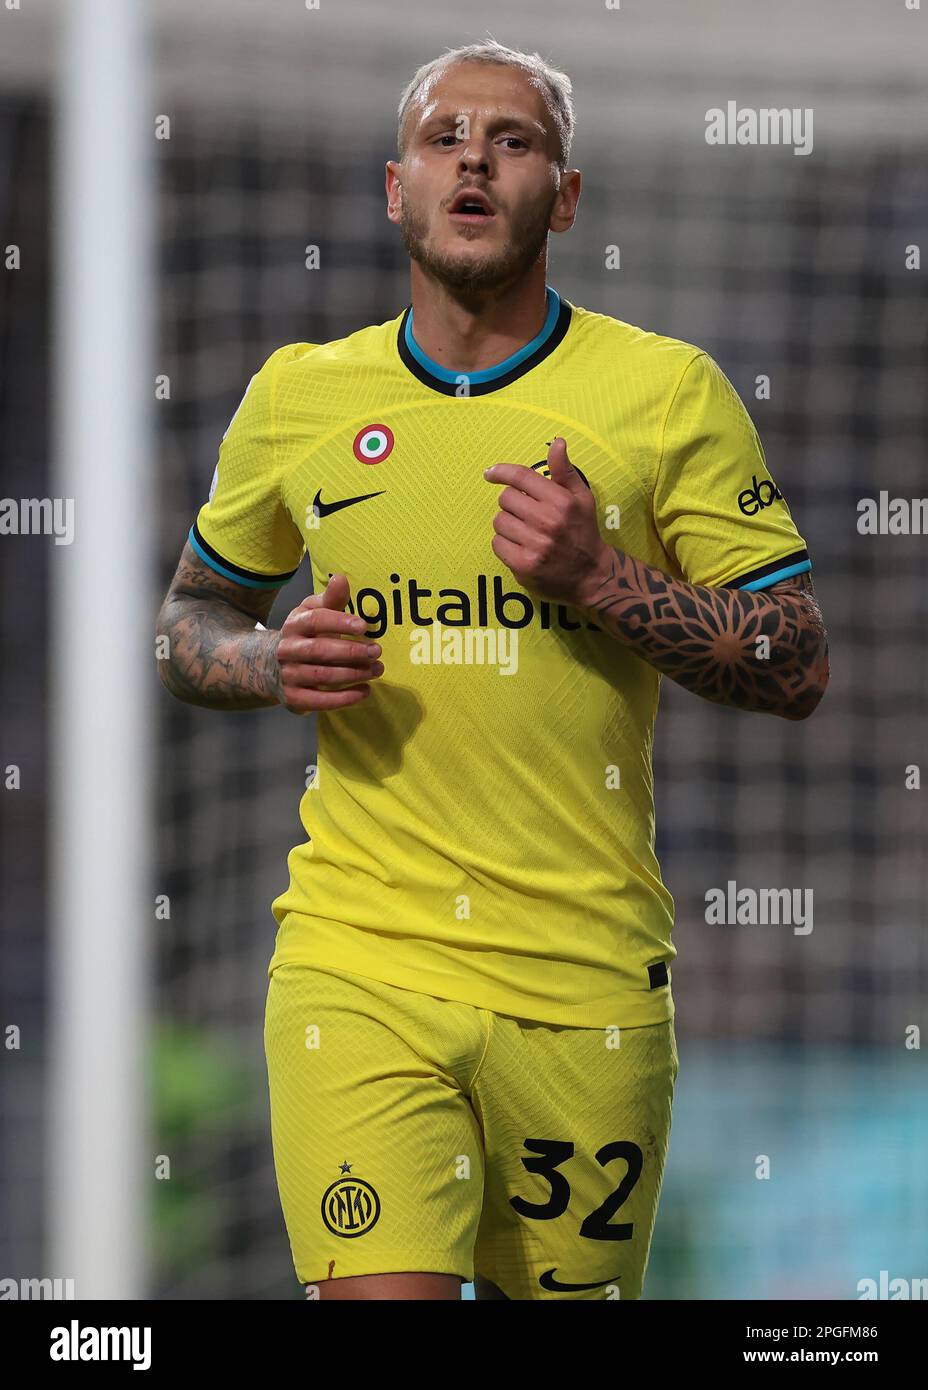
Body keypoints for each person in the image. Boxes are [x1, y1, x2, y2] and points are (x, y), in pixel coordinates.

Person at [156, 40, 828, 1301]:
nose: (474, 155)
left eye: (513, 139)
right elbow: (188, 621)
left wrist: (599, 577)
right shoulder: (299, 398)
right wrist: (264, 660)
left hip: (583, 981)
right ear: (396, 188)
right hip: (361, 957)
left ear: (562, 198)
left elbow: (796, 662)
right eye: (443, 136)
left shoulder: (663, 392)